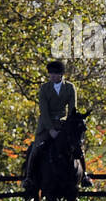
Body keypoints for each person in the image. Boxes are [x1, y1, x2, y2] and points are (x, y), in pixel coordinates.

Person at [22, 59, 93, 189]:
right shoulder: (44, 88)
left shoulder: (70, 88)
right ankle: (29, 177)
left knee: (77, 147)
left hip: (63, 123)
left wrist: (69, 124)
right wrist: (50, 130)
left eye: (55, 74)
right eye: (50, 74)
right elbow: (43, 111)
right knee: (36, 148)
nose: (52, 76)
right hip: (46, 125)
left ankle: (84, 176)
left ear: (61, 75)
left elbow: (72, 109)